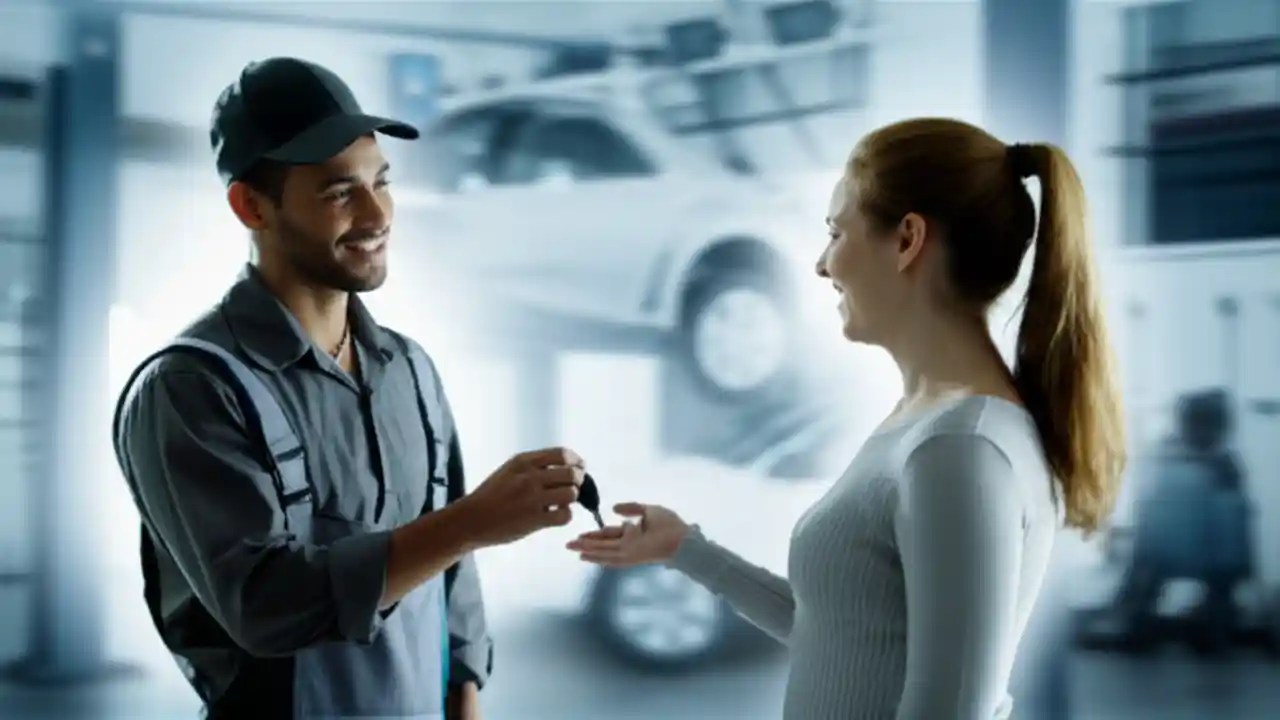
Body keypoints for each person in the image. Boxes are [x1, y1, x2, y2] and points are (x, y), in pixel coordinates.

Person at [569, 118, 1127, 719]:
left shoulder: (962, 449)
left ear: (908, 239)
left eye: (836, 233)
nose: (820, 264)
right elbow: (841, 631)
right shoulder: (921, 424)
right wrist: (686, 549)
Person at [112, 57, 585, 720]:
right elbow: (266, 606)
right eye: (340, 192)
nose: (376, 213)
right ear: (252, 206)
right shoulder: (193, 389)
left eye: (381, 181)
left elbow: (451, 578)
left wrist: (465, 692)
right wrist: (474, 520)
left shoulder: (410, 369)